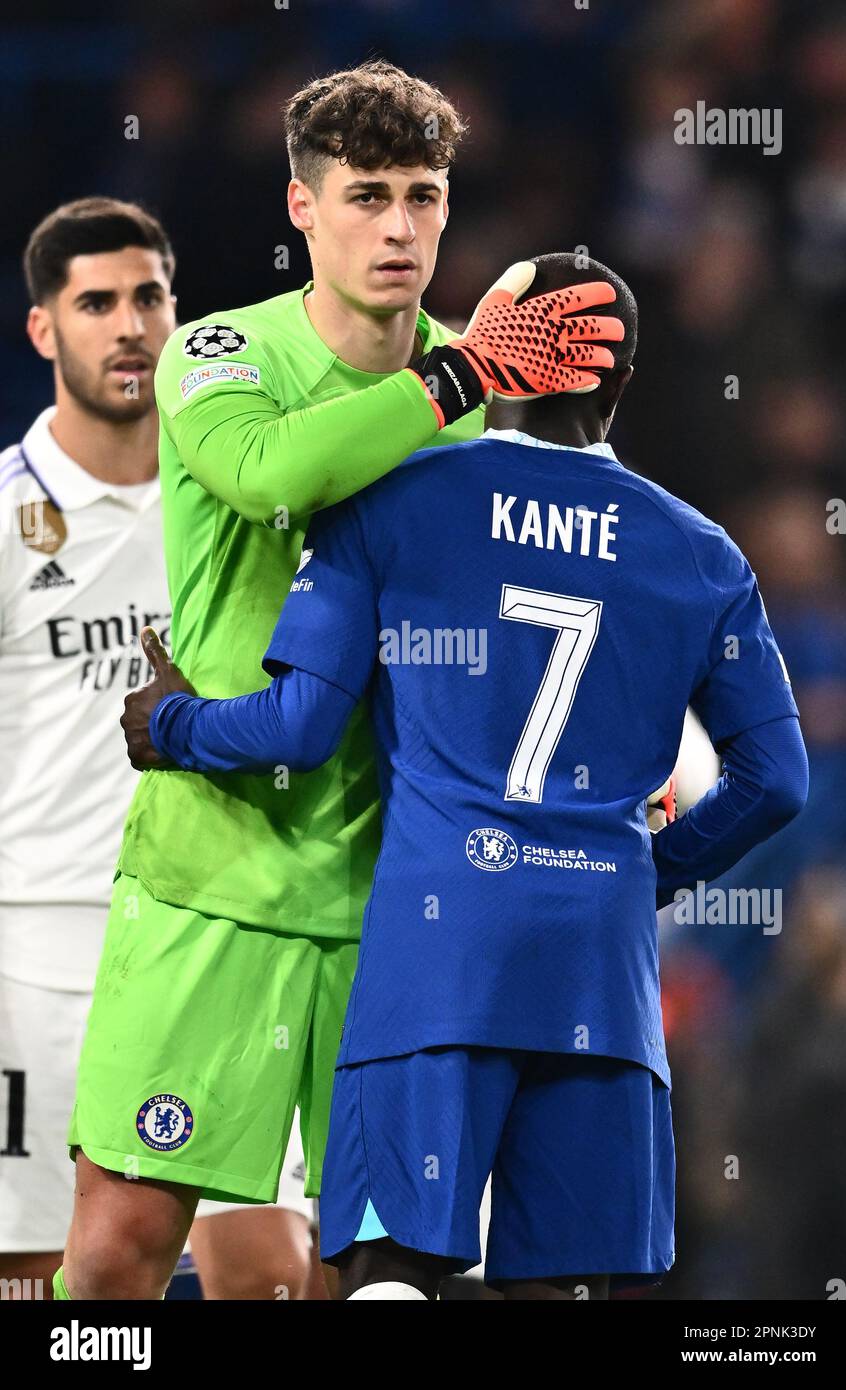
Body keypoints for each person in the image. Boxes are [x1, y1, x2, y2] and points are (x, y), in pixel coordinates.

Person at [123, 253, 809, 1300]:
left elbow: (301, 727)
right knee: (563, 1288)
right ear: (617, 382)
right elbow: (773, 780)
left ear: (490, 356)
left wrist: (172, 720)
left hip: (433, 962)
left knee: (390, 1275)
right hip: (601, 977)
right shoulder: (701, 552)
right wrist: (644, 873)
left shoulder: (394, 498)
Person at [55, 62, 621, 1302]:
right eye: (367, 196)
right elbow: (275, 475)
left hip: (396, 905)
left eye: (424, 196)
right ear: (303, 207)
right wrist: (465, 378)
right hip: (217, 876)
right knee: (115, 1251)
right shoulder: (217, 358)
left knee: (354, 1274)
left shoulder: (476, 396)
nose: (401, 227)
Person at [0, 197, 315, 1303]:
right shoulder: (4, 519)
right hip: (39, 945)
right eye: (95, 303)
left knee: (273, 1271)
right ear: (44, 329)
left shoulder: (242, 499)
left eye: (148, 297)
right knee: (48, 1281)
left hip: (210, 927)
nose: (128, 325)